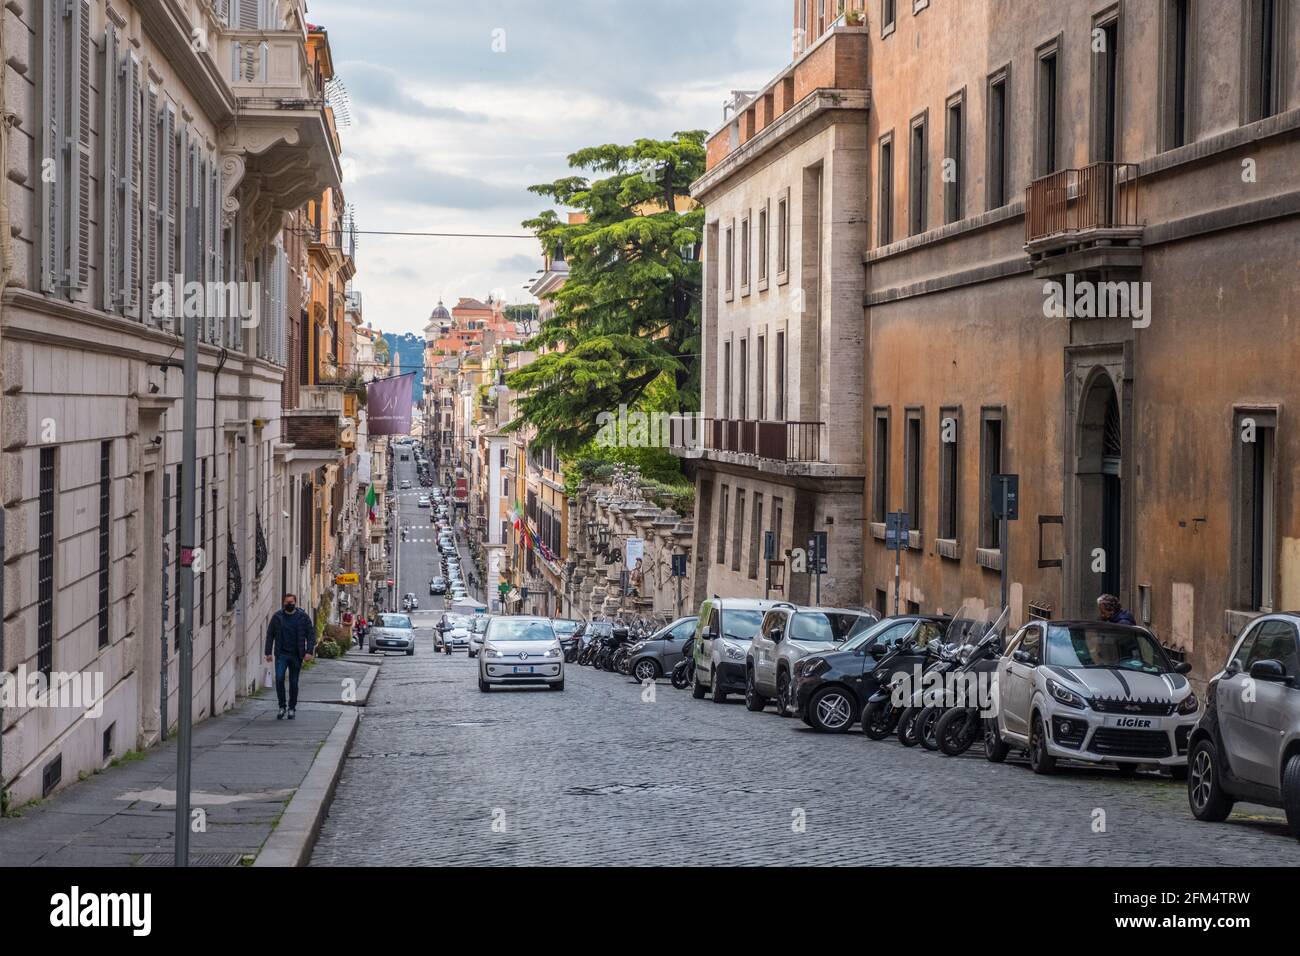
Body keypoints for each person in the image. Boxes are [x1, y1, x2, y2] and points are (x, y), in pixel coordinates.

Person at [264, 593, 315, 720]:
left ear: (295, 603)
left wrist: (309, 651)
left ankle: (292, 708)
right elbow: (270, 634)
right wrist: (268, 652)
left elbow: (311, 635)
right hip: (281, 654)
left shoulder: (303, 617)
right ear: (283, 603)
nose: (289, 605)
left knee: (293, 682)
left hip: (296, 655)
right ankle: (282, 706)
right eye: (287, 602)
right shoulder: (277, 617)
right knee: (280, 679)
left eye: (291, 602)